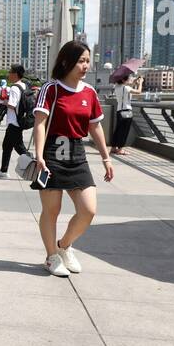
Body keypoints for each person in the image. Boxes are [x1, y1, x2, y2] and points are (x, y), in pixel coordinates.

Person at [31, 42, 114, 277]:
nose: (85, 65)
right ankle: (51, 256)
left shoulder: (89, 92)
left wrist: (106, 158)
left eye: (88, 60)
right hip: (51, 155)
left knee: (88, 210)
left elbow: (94, 127)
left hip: (77, 155)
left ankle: (64, 245)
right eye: (81, 61)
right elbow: (40, 123)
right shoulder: (51, 89)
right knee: (52, 210)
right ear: (66, 61)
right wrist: (39, 156)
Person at [0, 65, 29, 178]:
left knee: (19, 147)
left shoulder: (14, 88)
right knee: (7, 146)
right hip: (20, 120)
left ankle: (36, 166)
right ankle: (3, 171)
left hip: (14, 122)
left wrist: (3, 102)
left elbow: (12, 105)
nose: (8, 74)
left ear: (15, 74)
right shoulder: (24, 86)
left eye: (10, 72)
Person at [109, 71, 138, 156]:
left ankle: (113, 148)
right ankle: (120, 149)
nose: (130, 79)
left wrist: (135, 81)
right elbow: (138, 91)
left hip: (119, 111)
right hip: (127, 111)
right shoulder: (126, 88)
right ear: (124, 80)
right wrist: (140, 84)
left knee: (118, 131)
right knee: (124, 132)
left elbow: (128, 88)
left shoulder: (117, 87)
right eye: (128, 78)